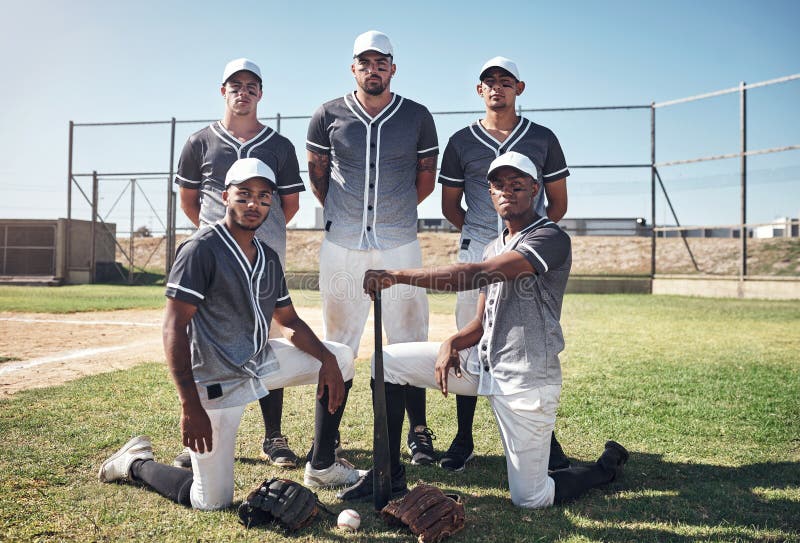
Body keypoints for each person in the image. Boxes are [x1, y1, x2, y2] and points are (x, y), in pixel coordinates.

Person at [339, 152, 628, 507]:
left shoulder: (550, 237)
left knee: (531, 497)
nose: (507, 191)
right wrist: (453, 341)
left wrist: (397, 275)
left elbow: (475, 274)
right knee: (389, 362)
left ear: (535, 189)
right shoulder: (494, 245)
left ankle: (604, 469)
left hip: (525, 378)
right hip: (482, 366)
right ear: (490, 194)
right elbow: (481, 322)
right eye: (499, 185)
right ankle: (387, 473)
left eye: (517, 184)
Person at [98, 158, 363, 511]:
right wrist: (190, 404)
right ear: (225, 196)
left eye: (264, 197)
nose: (254, 204)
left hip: (259, 362)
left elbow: (288, 321)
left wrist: (326, 359)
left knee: (341, 356)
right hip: (215, 381)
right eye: (244, 194)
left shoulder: (268, 257)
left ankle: (323, 466)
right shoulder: (200, 249)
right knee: (211, 500)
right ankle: (134, 462)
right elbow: (174, 327)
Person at [306, 30, 440, 465]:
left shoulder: (416, 115)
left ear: (393, 68)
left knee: (408, 341)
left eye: (381, 62)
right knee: (338, 343)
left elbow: (425, 180)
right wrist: (345, 214)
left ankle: (417, 433)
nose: (373, 69)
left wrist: (393, 212)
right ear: (353, 68)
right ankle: (328, 439)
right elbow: (318, 175)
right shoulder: (328, 113)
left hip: (399, 242)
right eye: (365, 62)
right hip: (342, 243)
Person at [437, 56, 571, 472]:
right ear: (480, 90)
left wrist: (526, 238)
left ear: (519, 88)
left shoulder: (542, 137)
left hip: (528, 251)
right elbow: (449, 206)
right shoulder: (461, 140)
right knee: (469, 339)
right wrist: (486, 238)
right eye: (489, 81)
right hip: (479, 246)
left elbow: (558, 202)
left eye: (505, 81)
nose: (497, 87)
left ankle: (545, 439)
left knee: (525, 341)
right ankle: (463, 436)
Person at [173, 58, 306, 469]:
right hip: (216, 265)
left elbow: (289, 205)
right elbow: (190, 202)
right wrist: (218, 241)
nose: (243, 92)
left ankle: (273, 435)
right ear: (223, 91)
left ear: (260, 93)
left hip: (263, 256)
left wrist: (257, 237)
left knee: (268, 341)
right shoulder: (199, 141)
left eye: (251, 86)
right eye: (235, 85)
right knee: (205, 343)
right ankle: (200, 428)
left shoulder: (279, 146)